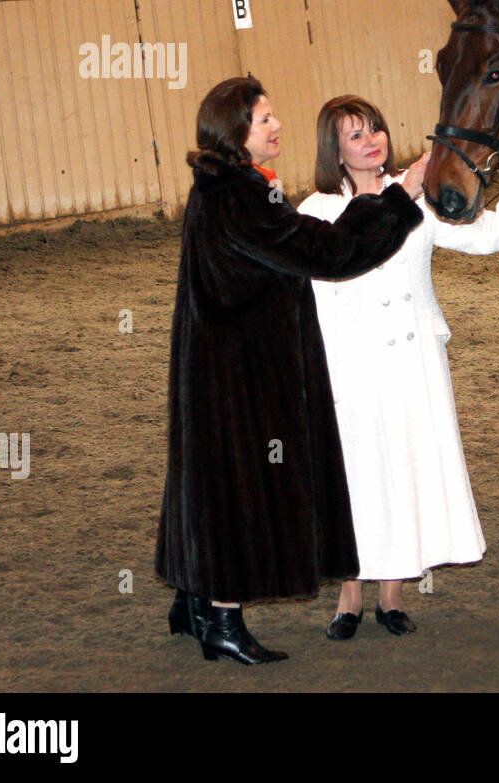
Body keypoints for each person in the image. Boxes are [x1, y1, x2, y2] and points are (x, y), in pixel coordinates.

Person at [156, 76, 425, 665]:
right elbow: (329, 254)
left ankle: (196, 599)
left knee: (207, 479)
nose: (276, 126)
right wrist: (402, 200)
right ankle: (224, 617)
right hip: (242, 373)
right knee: (239, 486)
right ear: (237, 132)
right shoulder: (241, 197)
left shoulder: (228, 187)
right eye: (264, 120)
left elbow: (312, 240)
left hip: (219, 363)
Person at [298, 96, 499, 638]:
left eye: (376, 129)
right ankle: (349, 596)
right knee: (359, 476)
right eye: (356, 136)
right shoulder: (317, 210)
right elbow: (326, 272)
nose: (372, 141)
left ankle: (391, 596)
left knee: (408, 465)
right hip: (352, 362)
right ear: (335, 151)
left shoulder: (421, 195)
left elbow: (483, 234)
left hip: (415, 358)